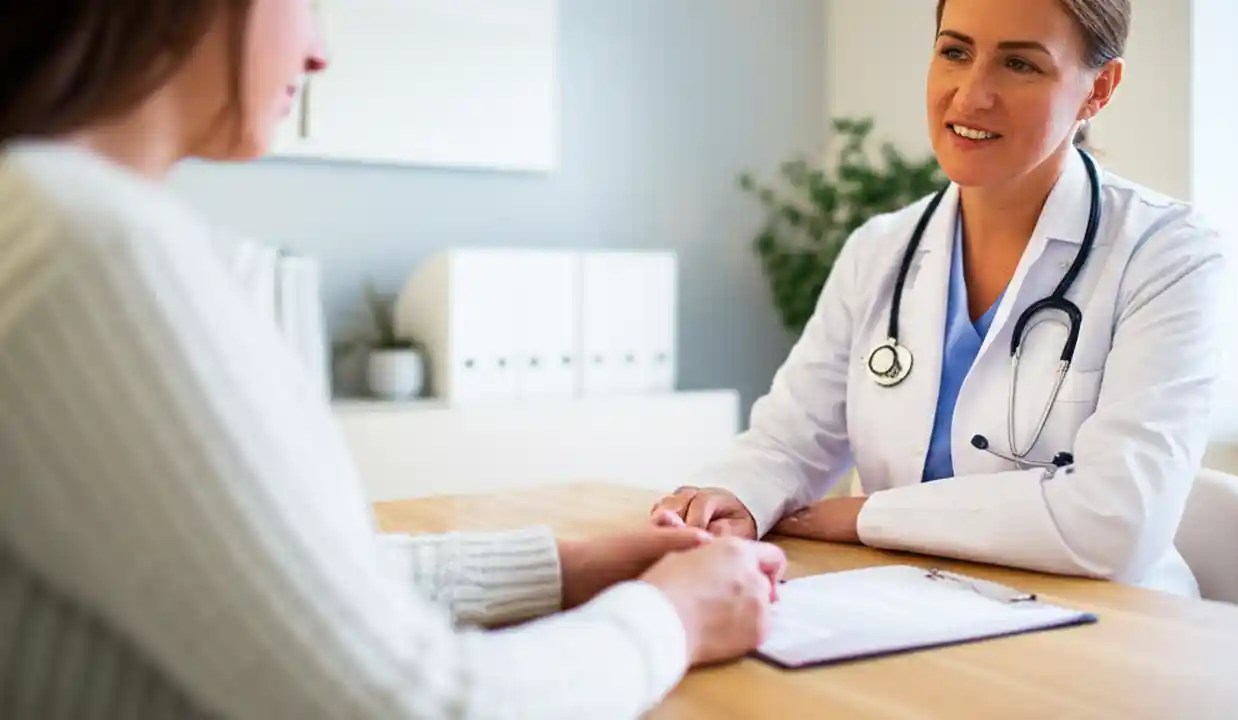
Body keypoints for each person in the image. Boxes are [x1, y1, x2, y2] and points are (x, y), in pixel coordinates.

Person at [0, 2, 786, 718]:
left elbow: (292, 580)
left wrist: (570, 565)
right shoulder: (96, 249)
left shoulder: (52, 217)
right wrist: (671, 618)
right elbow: (415, 704)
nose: (318, 53)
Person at [652, 0, 1224, 598]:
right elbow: (788, 442)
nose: (971, 96)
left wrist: (866, 516)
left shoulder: (1167, 254)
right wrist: (732, 497)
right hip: (905, 606)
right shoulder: (880, 249)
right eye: (955, 51)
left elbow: (1118, 522)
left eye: (1020, 65)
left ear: (1098, 88)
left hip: (1108, 634)